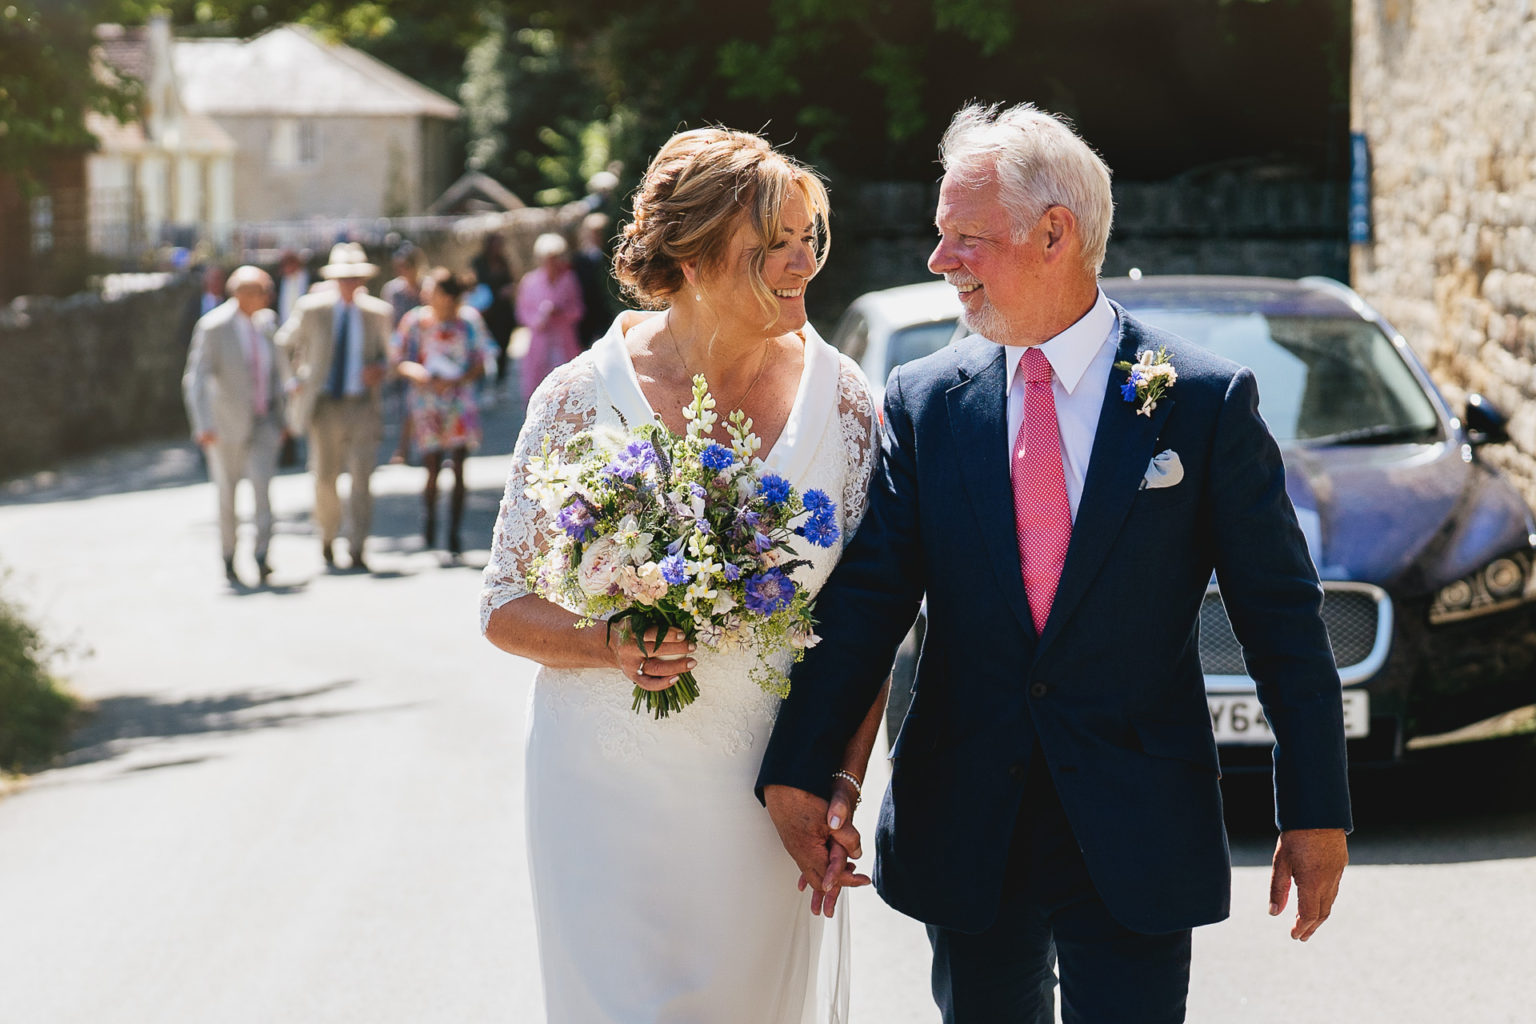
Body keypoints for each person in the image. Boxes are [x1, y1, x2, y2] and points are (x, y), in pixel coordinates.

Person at [757, 102, 1353, 1024]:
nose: (940, 260)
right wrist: (799, 767)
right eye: (942, 235)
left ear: (1053, 233)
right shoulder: (924, 401)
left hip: (1139, 820)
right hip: (967, 818)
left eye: (966, 237)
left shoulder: (1201, 401)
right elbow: (870, 598)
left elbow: (1281, 617)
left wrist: (1315, 806)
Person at [479, 127, 885, 1023]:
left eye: (808, 238)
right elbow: (504, 605)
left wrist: (839, 787)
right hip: (602, 792)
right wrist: (608, 641)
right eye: (772, 245)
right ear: (693, 259)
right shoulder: (578, 397)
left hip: (765, 794)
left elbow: (868, 627)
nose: (802, 264)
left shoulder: (849, 404)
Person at [277, 242, 393, 573]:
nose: (349, 283)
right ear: (333, 279)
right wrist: (292, 381)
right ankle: (327, 536)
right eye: (343, 277)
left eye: (354, 277)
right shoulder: (312, 309)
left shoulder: (377, 313)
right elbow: (283, 343)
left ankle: (357, 546)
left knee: (361, 478)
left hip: (361, 405)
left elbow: (391, 357)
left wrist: (380, 369)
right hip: (325, 405)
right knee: (325, 477)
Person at [182, 265, 289, 585]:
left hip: (264, 420)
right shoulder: (214, 326)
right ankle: (229, 555)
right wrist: (203, 424)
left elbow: (278, 373)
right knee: (227, 493)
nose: (268, 297)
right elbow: (196, 378)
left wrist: (283, 418)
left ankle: (262, 554)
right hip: (226, 424)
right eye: (262, 291)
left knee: (263, 489)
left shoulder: (267, 324)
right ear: (241, 294)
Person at [390, 268, 495, 556]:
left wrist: (458, 378)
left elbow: (483, 358)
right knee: (432, 465)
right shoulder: (414, 321)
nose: (426, 295)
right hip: (428, 401)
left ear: (447, 296)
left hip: (459, 401)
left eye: (432, 290)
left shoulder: (469, 321)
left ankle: (454, 532)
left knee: (459, 465)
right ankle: (430, 520)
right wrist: (418, 373)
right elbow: (398, 357)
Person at [514, 232, 584, 406]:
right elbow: (522, 313)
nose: (552, 263)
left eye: (555, 258)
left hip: (564, 341)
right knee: (539, 388)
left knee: (568, 386)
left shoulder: (568, 279)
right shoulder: (529, 281)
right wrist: (540, 319)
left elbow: (578, 309)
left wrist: (561, 313)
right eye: (547, 259)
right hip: (540, 341)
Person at [380, 243, 424, 464]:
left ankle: (410, 446)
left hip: (423, 349)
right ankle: (404, 447)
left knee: (417, 400)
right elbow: (389, 321)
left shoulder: (426, 287)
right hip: (402, 349)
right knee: (404, 402)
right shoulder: (393, 290)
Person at [470, 232, 517, 386]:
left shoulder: (503, 262)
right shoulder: (478, 263)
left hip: (503, 313)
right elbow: (474, 285)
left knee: (503, 346)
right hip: (487, 313)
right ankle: (486, 379)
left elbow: (511, 280)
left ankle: (500, 379)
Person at [571, 211, 615, 349]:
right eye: (593, 233)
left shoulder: (614, 256)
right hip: (588, 313)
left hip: (609, 312)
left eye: (600, 233)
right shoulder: (580, 260)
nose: (597, 237)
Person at [274, 249, 310, 323]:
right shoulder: (280, 281)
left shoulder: (310, 278)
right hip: (285, 322)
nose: (285, 268)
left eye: (288, 264)